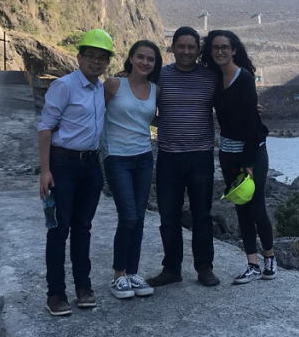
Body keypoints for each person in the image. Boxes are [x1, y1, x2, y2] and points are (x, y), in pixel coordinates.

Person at [38, 29, 113, 316]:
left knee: (83, 228)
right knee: (58, 229)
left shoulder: (101, 88)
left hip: (91, 165)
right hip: (63, 164)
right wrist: (45, 170)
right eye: (91, 56)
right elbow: (45, 127)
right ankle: (56, 294)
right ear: (79, 57)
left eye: (102, 58)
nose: (96, 62)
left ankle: (84, 287)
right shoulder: (65, 86)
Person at [200, 30, 276, 284]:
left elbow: (254, 124)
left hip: (251, 152)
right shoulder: (213, 78)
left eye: (225, 47)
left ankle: (270, 259)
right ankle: (252, 264)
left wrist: (248, 163)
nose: (220, 51)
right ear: (211, 52)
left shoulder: (243, 78)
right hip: (227, 152)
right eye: (215, 48)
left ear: (234, 50)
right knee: (241, 208)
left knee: (256, 208)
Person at [147, 26, 221, 287]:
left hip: (201, 157)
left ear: (198, 49)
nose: (186, 51)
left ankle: (204, 268)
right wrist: (163, 122)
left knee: (202, 215)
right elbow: (142, 105)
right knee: (169, 216)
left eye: (191, 47)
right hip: (168, 156)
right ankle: (172, 269)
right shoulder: (160, 77)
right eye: (181, 46)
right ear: (173, 47)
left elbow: (228, 102)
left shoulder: (210, 77)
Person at [100, 40, 162, 299]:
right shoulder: (114, 85)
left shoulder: (155, 89)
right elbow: (92, 112)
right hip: (116, 158)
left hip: (143, 158)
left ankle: (133, 273)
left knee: (138, 216)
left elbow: (154, 118)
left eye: (150, 59)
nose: (145, 62)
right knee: (127, 217)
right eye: (141, 57)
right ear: (131, 58)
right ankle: (118, 276)